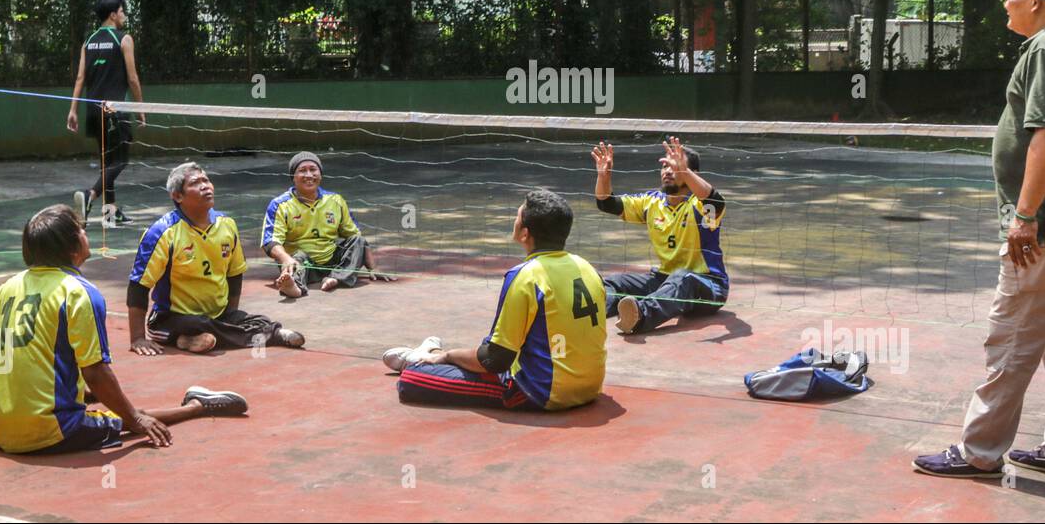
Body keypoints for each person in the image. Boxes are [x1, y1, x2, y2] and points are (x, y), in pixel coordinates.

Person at [914, 0, 1045, 481]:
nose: (1005, 3)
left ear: (1037, 0)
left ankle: (979, 451)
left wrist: (1024, 217)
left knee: (1011, 338)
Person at [0, 204, 247, 455]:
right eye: (81, 230)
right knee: (126, 416)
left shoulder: (7, 288)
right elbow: (96, 373)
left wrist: (43, 390)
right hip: (48, 432)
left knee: (105, 403)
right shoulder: (78, 293)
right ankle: (197, 407)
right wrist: (135, 419)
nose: (87, 234)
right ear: (73, 247)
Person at [385, 189, 606, 411]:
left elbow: (495, 360)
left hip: (538, 390)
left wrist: (448, 356)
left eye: (517, 217)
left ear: (525, 234)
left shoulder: (526, 275)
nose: (514, 220)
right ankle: (432, 354)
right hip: (591, 385)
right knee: (494, 347)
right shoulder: (586, 267)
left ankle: (424, 357)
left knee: (412, 379)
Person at [128, 162, 306, 355]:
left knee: (259, 320)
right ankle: (273, 335)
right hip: (171, 318)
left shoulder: (227, 225)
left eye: (206, 180)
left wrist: (230, 314)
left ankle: (188, 341)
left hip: (217, 315)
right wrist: (137, 338)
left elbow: (235, 274)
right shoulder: (162, 232)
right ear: (178, 196)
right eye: (196, 183)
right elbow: (139, 285)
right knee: (199, 323)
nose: (205, 185)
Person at [593, 136, 729, 335]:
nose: (667, 171)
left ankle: (640, 316)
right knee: (616, 282)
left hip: (707, 287)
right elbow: (607, 204)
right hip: (664, 280)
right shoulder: (651, 202)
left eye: (674, 167)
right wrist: (603, 177)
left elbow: (715, 201)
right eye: (665, 166)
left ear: (692, 173)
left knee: (682, 278)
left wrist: (686, 172)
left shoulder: (701, 208)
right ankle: (595, 314)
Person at [261, 151, 392, 298]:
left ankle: (336, 278)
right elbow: (270, 242)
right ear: (293, 177)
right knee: (297, 258)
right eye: (302, 170)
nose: (309, 175)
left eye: (313, 170)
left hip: (331, 262)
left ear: (320, 174)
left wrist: (372, 267)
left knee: (358, 241)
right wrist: (286, 259)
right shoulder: (280, 204)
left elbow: (355, 236)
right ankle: (294, 287)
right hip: (302, 263)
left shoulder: (335, 200)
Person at [67, 0, 146, 227]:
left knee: (107, 163)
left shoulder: (88, 41)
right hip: (115, 111)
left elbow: (80, 77)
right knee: (119, 162)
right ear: (113, 14)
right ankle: (89, 196)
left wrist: (72, 110)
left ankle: (110, 214)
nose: (124, 15)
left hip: (92, 111)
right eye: (122, 11)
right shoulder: (124, 39)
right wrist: (141, 107)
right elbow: (132, 78)